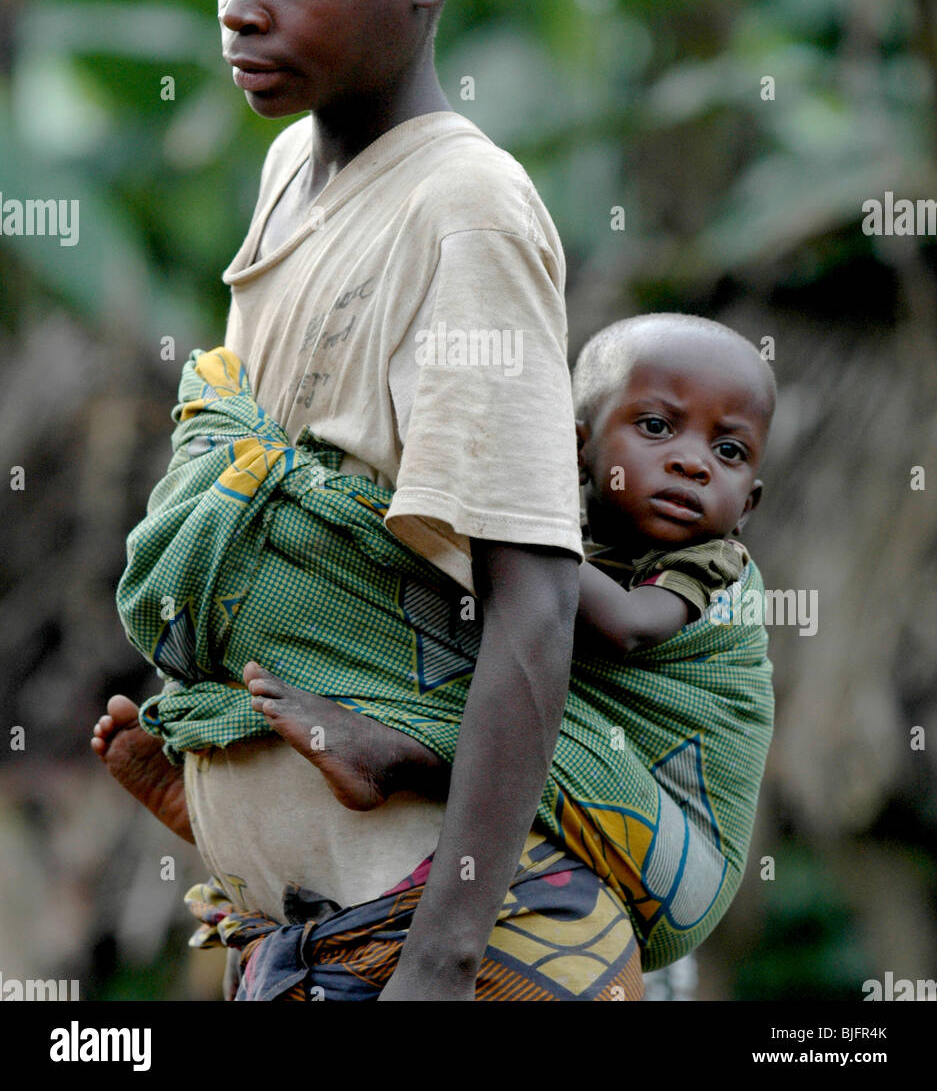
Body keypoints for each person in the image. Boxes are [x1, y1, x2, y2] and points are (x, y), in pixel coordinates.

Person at [93, 0, 644, 1002]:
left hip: (413, 942)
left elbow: (533, 603)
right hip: (296, 946)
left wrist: (442, 962)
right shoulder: (292, 165)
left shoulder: (465, 211)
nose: (239, 7)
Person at [96, 312, 776, 992]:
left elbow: (624, 626)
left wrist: (490, 523)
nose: (692, 462)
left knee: (517, 707)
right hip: (602, 784)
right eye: (657, 427)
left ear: (746, 505)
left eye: (729, 452)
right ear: (572, 449)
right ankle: (223, 801)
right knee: (475, 666)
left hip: (673, 853)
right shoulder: (566, 523)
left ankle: (398, 757)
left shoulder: (711, 564)